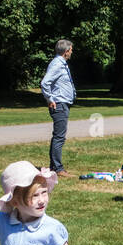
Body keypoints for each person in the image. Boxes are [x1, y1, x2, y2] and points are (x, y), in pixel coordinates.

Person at [39, 39, 76, 174]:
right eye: (71, 50)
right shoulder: (57, 64)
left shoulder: (62, 64)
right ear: (66, 51)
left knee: (59, 136)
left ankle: (54, 166)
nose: (71, 52)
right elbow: (45, 83)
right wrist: (50, 99)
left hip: (63, 103)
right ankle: (58, 168)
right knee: (59, 137)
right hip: (59, 104)